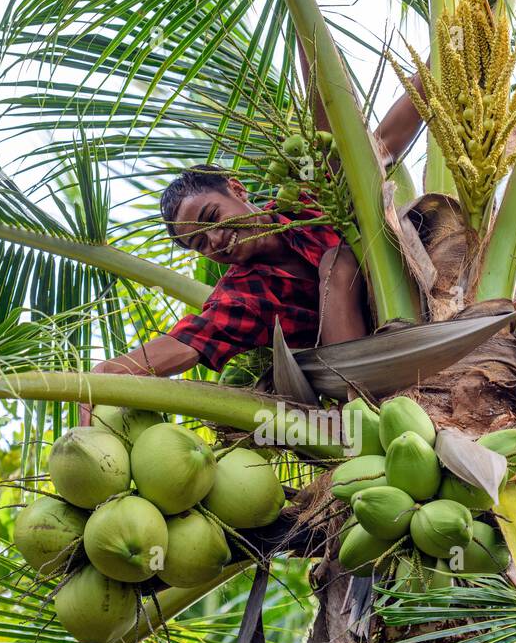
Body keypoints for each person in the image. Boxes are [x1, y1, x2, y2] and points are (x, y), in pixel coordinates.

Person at [80, 48, 428, 422]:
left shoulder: (306, 200)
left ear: (237, 189)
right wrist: (106, 374)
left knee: (340, 238)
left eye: (212, 218)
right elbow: (188, 341)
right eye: (200, 244)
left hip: (425, 313)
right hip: (374, 400)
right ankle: (361, 413)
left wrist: (308, 36)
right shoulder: (242, 296)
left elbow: (351, 139)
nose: (215, 240)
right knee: (335, 261)